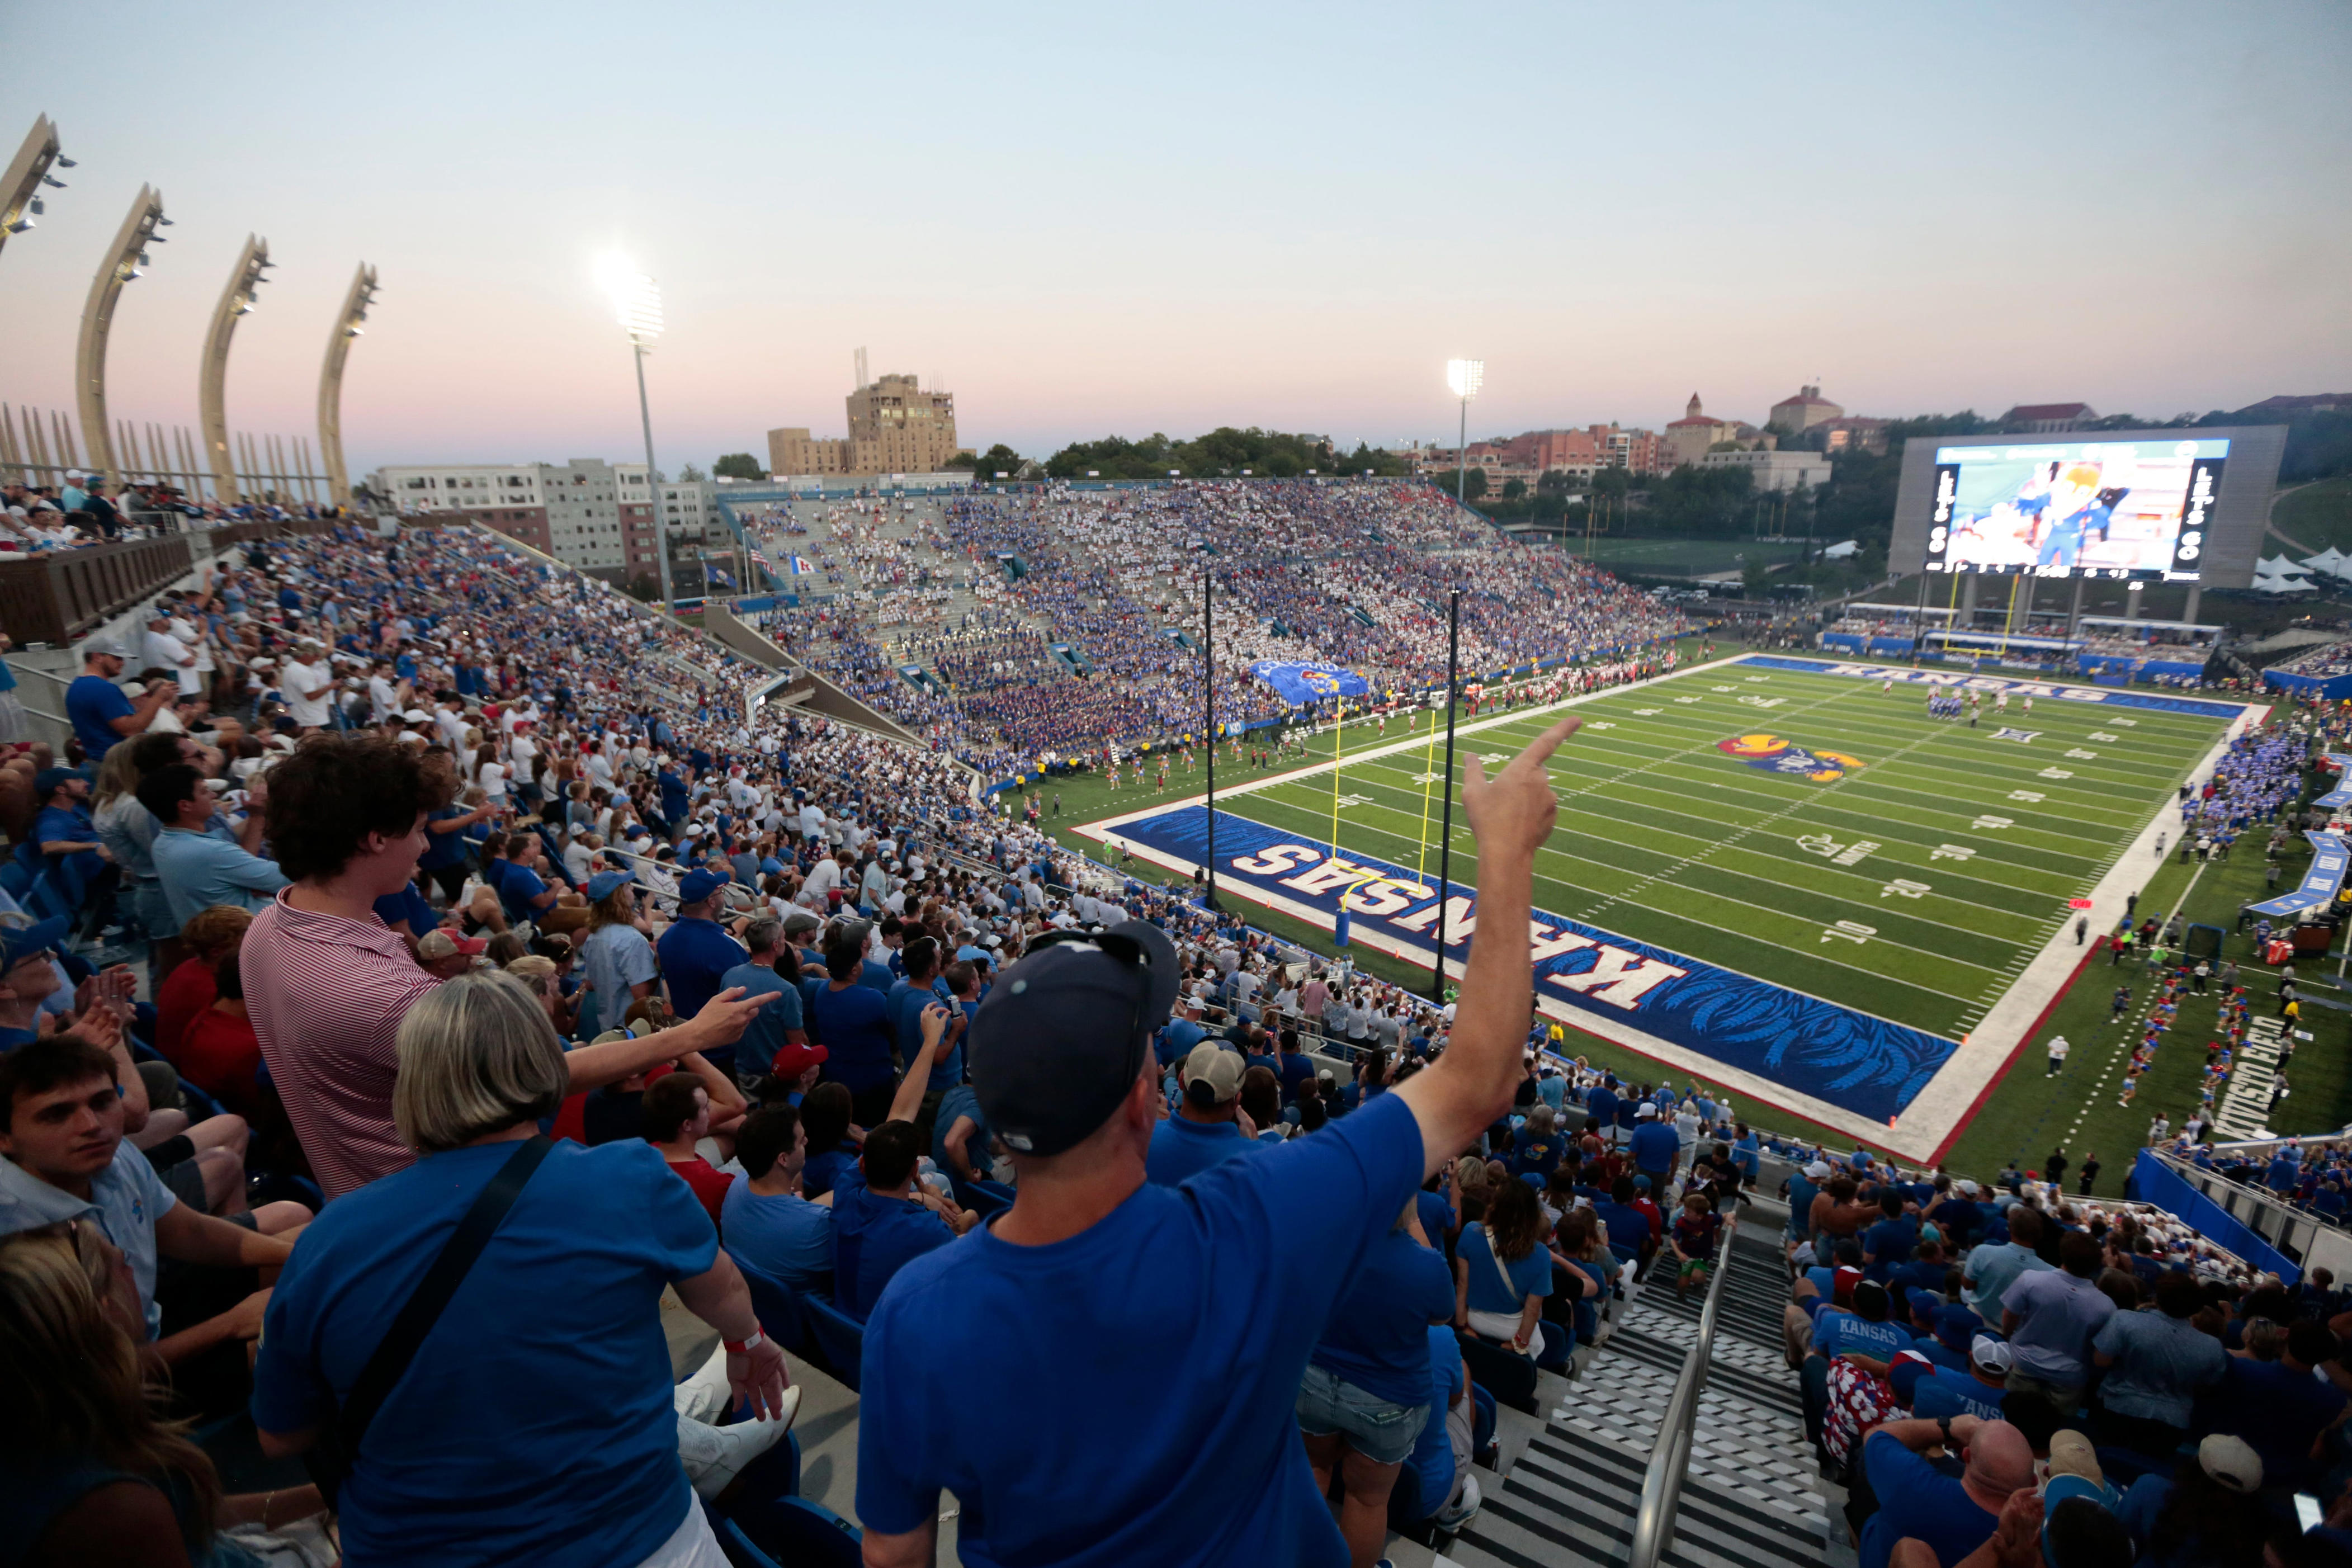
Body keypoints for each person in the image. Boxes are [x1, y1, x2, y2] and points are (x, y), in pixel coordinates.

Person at [851, 716, 1580, 1568]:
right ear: (1142, 1095)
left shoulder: (914, 1311)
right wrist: (1504, 852)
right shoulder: (1252, 1226)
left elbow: (893, 1557)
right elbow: (1480, 1077)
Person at [251, 970, 799, 1567]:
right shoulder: (628, 1176)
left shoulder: (329, 1240)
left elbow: (280, 1434)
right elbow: (721, 1284)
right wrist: (747, 1339)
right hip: (637, 1537)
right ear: (544, 1065)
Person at [242, 735, 772, 1200]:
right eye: (420, 828)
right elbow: (536, 1079)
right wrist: (691, 1035)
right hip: (437, 1210)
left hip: (366, 1190)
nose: (426, 846)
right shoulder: (380, 993)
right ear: (374, 838)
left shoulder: (266, 928)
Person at [0, 1224, 331, 1567]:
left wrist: (319, 1497)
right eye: (123, 1263)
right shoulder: (111, 1506)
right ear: (105, 1308)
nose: (133, 1269)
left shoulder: (51, 1434)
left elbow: (191, 1519)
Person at [1299, 1200, 1455, 1568]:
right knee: (1367, 1500)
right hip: (1388, 1402)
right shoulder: (1428, 1267)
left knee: (1312, 1470)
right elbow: (1443, 1315)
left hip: (1314, 1382)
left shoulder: (1324, 1239)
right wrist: (1413, 1220)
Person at [1855, 1415, 2035, 1568]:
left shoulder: (1913, 1483)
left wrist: (1949, 1427)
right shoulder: (2031, 1542)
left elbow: (1875, 1436)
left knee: (1858, 1498)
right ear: (2033, 1483)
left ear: (1966, 1456)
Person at [2090, 1270, 2228, 1458]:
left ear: (2158, 1298)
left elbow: (2101, 1360)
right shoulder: (2212, 1347)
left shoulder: (2124, 1320)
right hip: (2170, 1424)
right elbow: (2206, 1387)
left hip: (2117, 1409)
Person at [721, 1104, 834, 1290]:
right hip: (804, 1314)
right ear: (783, 1159)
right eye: (801, 1140)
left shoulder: (737, 1185)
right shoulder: (817, 1224)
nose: (806, 1141)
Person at [2001, 1231, 2116, 1411]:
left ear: (2062, 1254)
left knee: (2015, 1421)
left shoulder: (2031, 1280)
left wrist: (2009, 1340)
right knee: (2055, 1433)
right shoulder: (2107, 1306)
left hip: (2026, 1367)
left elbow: (2008, 1320)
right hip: (2068, 1380)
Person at [1146, 1042, 1261, 1185]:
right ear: (1237, 1100)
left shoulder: (1140, 1137)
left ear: (1181, 1080)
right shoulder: (1258, 1161)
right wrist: (1255, 1153)